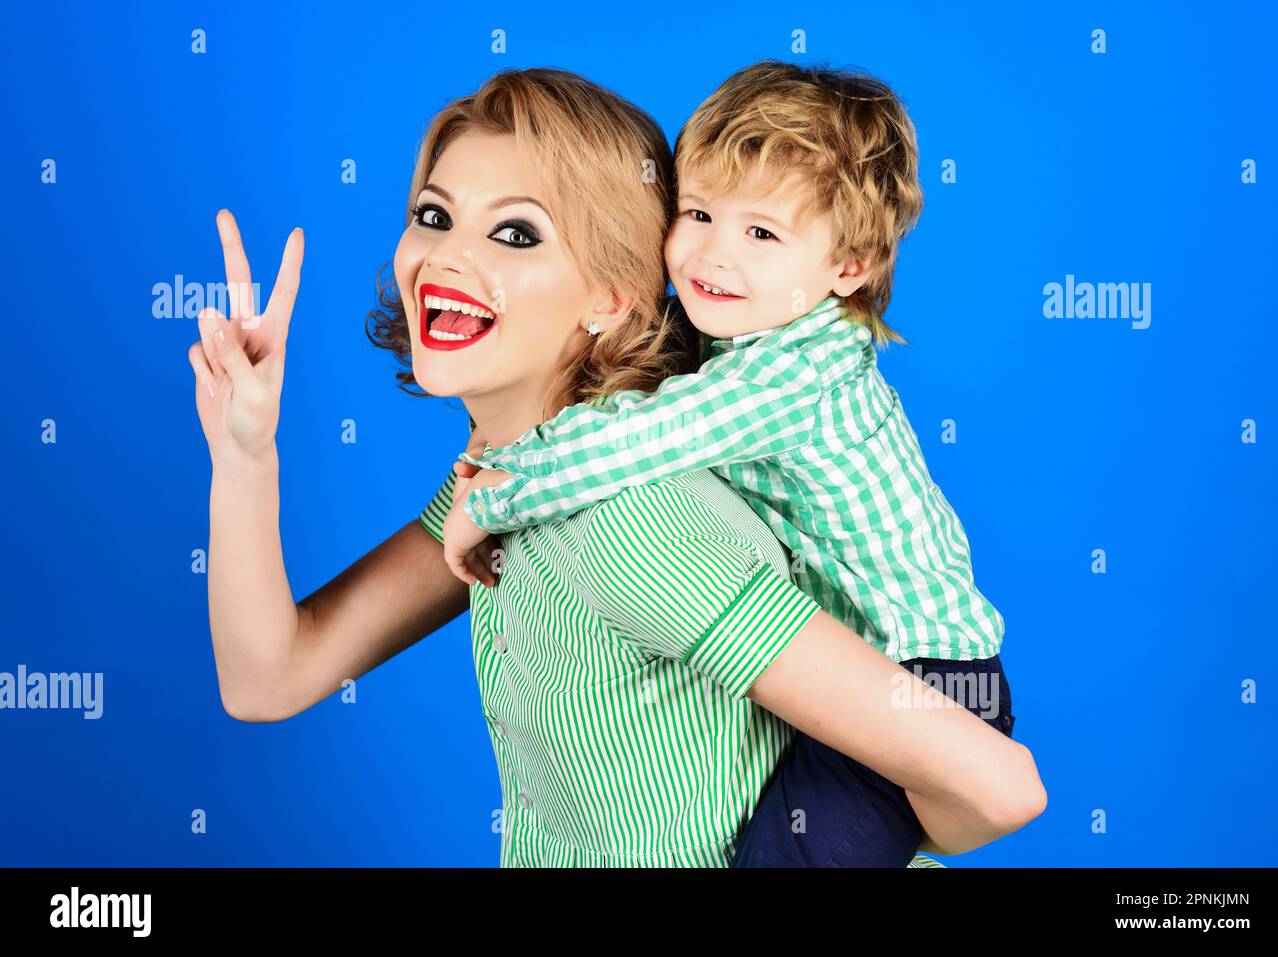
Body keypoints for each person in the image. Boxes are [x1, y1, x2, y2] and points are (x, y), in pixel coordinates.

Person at [187, 67, 1045, 867]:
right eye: (434, 215)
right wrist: (244, 453)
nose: (447, 258)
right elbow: (271, 678)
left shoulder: (620, 518)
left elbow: (1000, 785)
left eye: (516, 232)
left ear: (611, 295)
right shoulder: (500, 478)